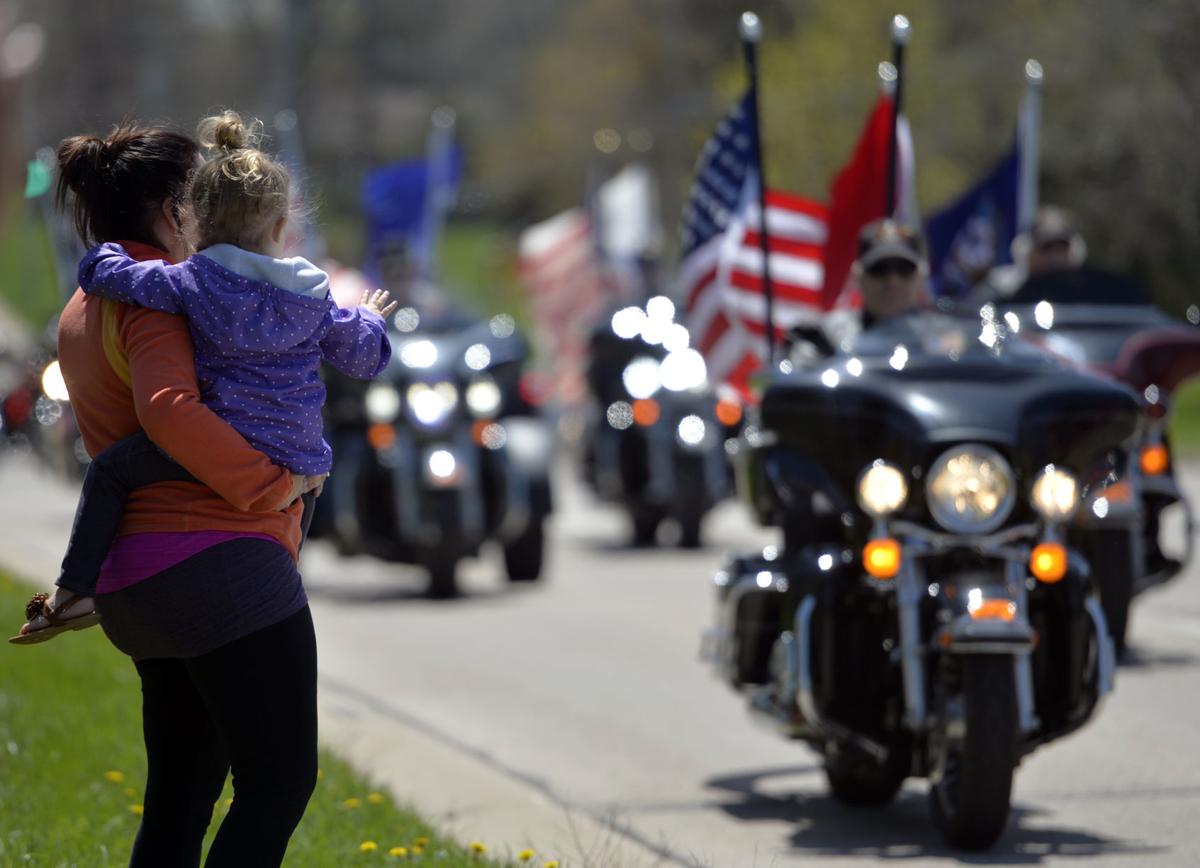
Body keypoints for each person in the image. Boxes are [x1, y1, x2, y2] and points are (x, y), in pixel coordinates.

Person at [15, 118, 340, 866]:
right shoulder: (156, 298)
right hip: (219, 564)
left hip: (144, 581)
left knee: (176, 810)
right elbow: (167, 409)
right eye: (201, 197)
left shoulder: (86, 302)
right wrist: (272, 484)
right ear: (173, 211)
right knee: (280, 784)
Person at [11, 111, 394, 643]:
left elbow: (124, 285)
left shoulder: (182, 287)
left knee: (111, 470)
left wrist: (99, 259)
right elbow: (363, 355)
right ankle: (287, 568)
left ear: (198, 219)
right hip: (289, 465)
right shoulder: (311, 295)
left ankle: (75, 587)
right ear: (283, 227)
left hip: (210, 477)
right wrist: (372, 320)